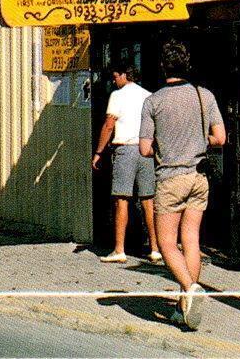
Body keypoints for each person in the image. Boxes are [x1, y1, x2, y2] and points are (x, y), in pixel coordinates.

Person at [139, 40, 226, 331]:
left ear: (162, 66)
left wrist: (164, 145)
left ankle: (190, 288)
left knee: (166, 243)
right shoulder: (204, 95)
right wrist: (199, 141)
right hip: (198, 178)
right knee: (191, 240)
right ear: (187, 64)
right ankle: (182, 307)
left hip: (171, 178)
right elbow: (220, 138)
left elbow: (144, 148)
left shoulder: (153, 102)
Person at [92, 63, 161, 264]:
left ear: (124, 75)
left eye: (115, 77)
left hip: (125, 150)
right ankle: (155, 248)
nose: (114, 81)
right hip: (146, 150)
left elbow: (109, 125)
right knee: (148, 199)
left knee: (121, 199)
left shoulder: (117, 95)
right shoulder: (148, 96)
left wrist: (99, 152)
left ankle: (119, 249)